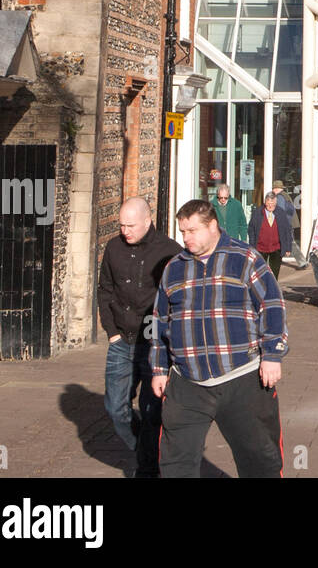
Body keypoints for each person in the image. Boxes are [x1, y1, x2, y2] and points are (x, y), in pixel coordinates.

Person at [151, 199, 288, 478]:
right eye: (182, 232)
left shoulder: (244, 258)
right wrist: (158, 368)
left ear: (213, 226)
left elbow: (271, 305)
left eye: (192, 230)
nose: (186, 238)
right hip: (188, 381)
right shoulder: (174, 268)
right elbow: (159, 320)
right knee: (175, 462)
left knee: (260, 459)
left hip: (242, 376)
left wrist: (272, 355)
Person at [96, 196, 180, 477]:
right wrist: (111, 334)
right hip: (121, 341)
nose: (125, 231)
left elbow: (179, 297)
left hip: (154, 343)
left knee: (153, 410)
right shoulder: (113, 248)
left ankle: (148, 467)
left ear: (147, 221)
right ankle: (144, 449)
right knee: (115, 409)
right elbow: (105, 289)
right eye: (121, 225)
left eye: (131, 225)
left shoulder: (170, 251)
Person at [248, 191, 293, 281]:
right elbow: (251, 229)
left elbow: (287, 230)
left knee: (274, 274)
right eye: (268, 203)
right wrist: (252, 246)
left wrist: (288, 248)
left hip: (276, 248)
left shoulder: (281, 213)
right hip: (260, 248)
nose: (270, 206)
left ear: (276, 203)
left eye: (273, 203)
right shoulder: (257, 213)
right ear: (265, 202)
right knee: (260, 272)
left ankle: (272, 291)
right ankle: (261, 291)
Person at [271, 183, 306, 268]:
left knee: (290, 243)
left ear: (275, 189)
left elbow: (280, 211)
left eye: (273, 189)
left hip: (284, 224)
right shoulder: (285, 195)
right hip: (288, 223)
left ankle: (302, 262)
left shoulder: (279, 197)